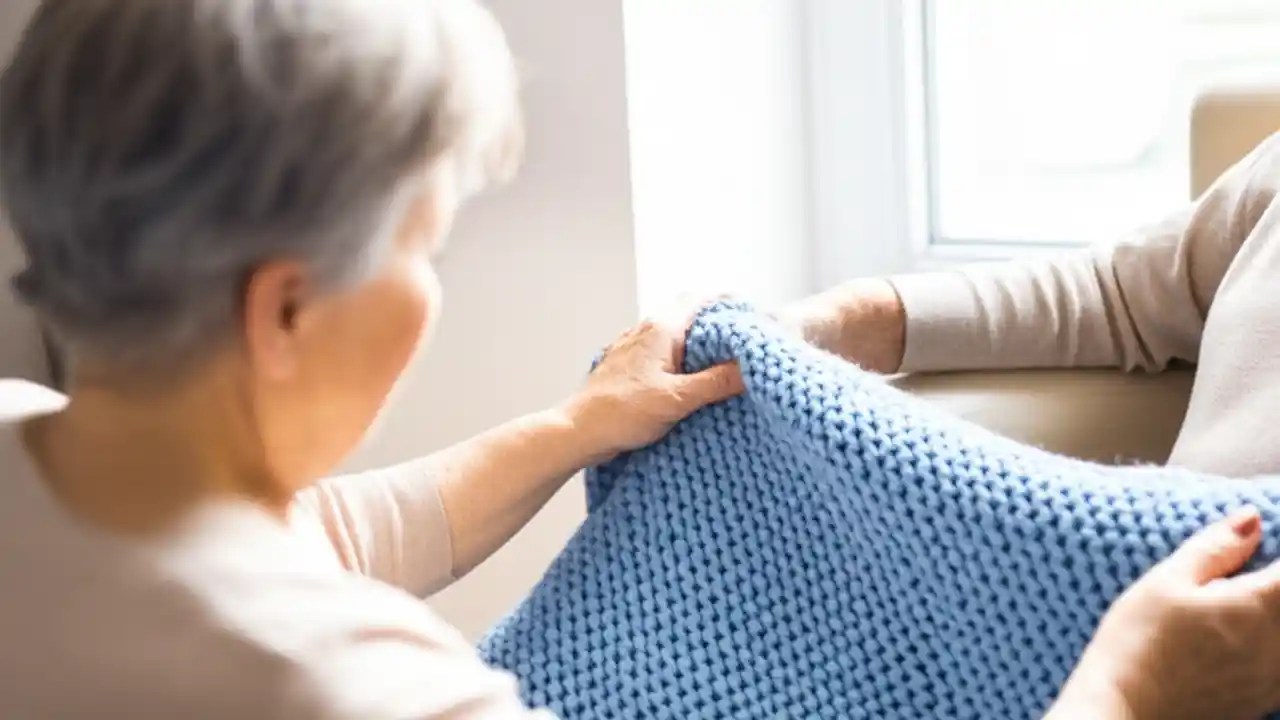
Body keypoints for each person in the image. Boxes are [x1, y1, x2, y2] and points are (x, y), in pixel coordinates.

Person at [0, 1, 1275, 718]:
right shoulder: (365, 691)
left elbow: (292, 536)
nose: (431, 291)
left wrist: (571, 428)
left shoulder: (30, 439)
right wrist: (1123, 692)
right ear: (283, 311)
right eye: (424, 247)